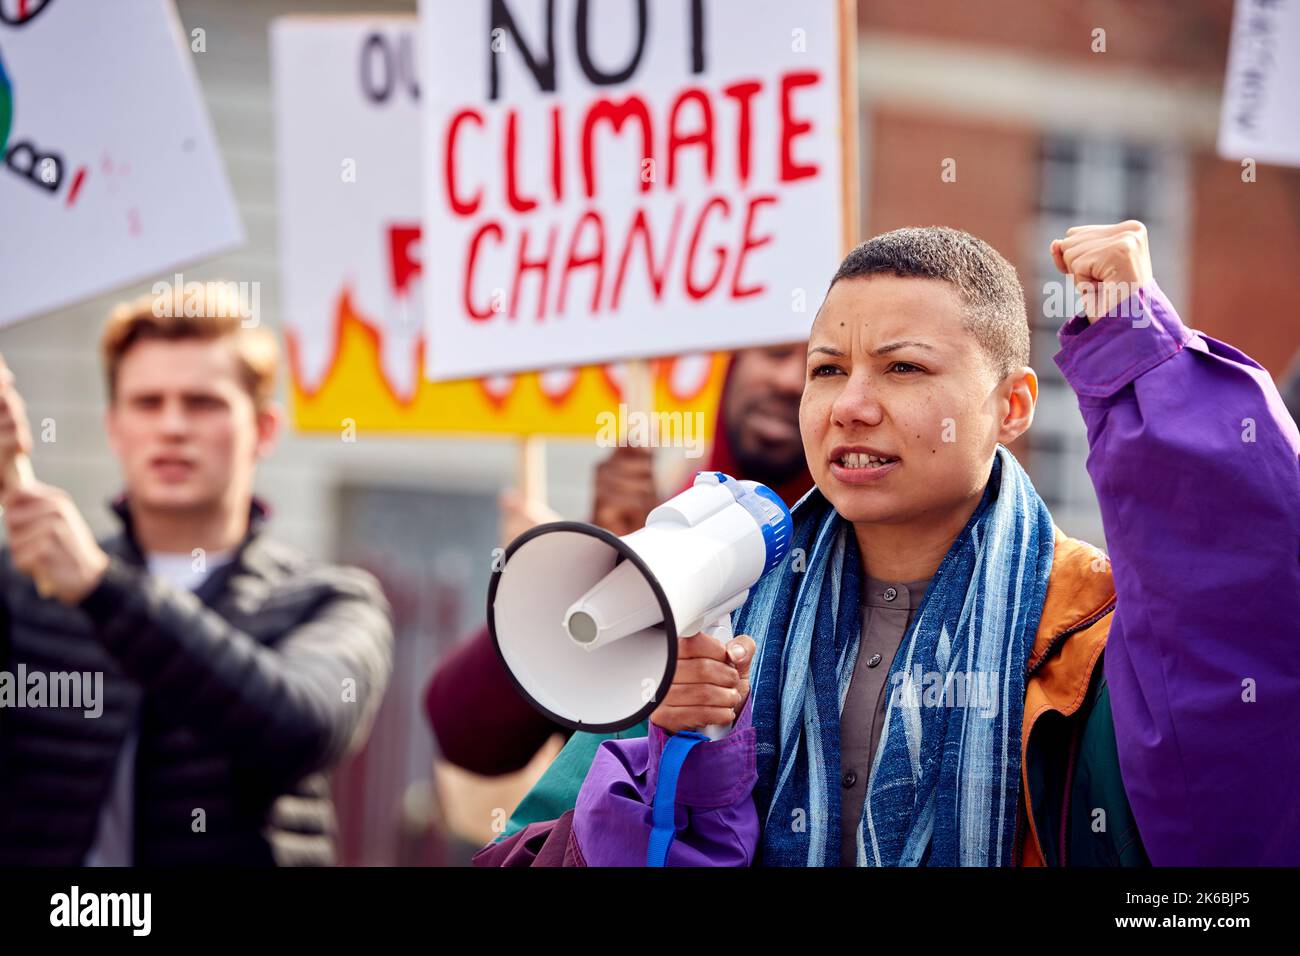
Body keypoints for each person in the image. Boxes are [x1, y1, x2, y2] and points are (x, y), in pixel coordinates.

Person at [475, 221, 1300, 867]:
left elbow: (1240, 641)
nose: (851, 406)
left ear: (1013, 407)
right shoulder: (706, 615)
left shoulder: (1093, 628)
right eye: (827, 370)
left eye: (903, 369)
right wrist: (678, 770)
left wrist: (1146, 364)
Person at [0, 287, 394, 865]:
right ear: (114, 427)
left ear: (263, 430)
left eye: (203, 403)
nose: (173, 426)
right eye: (148, 403)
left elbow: (301, 729)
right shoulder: (24, 589)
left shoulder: (330, 600)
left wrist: (102, 589)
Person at [424, 344, 812, 778]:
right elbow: (469, 739)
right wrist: (601, 553)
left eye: (821, 366)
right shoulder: (644, 520)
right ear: (734, 364)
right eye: (775, 353)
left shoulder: (860, 562)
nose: (789, 381)